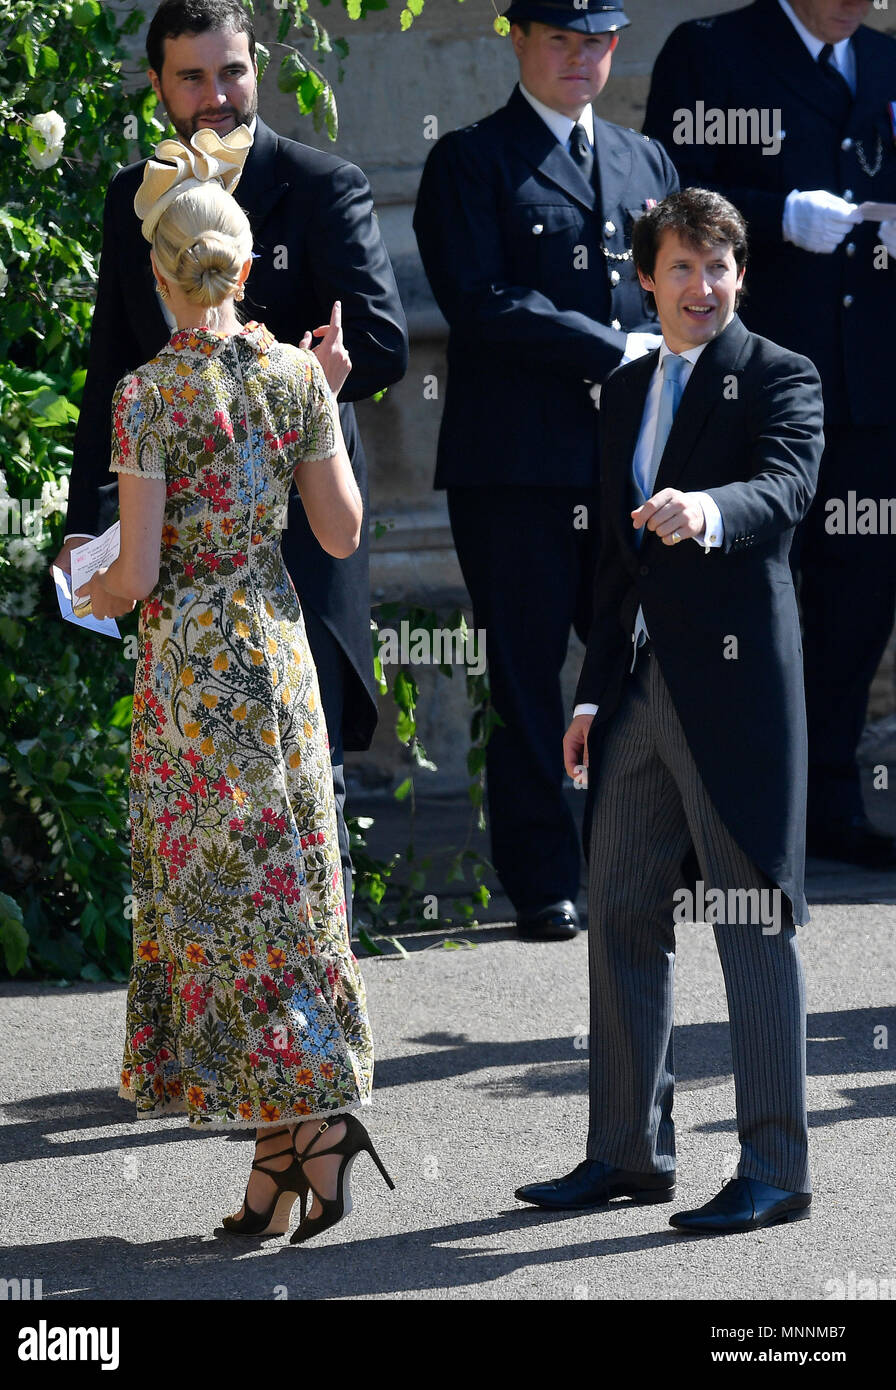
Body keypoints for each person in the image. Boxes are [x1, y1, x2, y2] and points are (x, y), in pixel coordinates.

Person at [76, 129, 395, 1245]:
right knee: (286, 895)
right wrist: (331, 396)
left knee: (221, 905)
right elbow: (341, 530)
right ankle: (285, 1155)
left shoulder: (145, 396)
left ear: (159, 276)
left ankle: (310, 1125)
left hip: (192, 673)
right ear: (246, 267)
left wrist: (89, 586)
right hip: (274, 648)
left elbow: (139, 572)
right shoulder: (299, 374)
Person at [56, 0, 409, 937]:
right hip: (173, 551)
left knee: (300, 793)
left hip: (304, 531)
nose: (217, 97)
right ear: (159, 85)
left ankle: (306, 1026)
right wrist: (82, 524)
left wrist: (290, 384)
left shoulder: (322, 181)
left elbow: (381, 343)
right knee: (198, 813)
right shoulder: (134, 195)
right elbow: (109, 372)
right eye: (193, 77)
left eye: (233, 72)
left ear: (257, 69)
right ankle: (217, 1031)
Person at [514, 188, 823, 1233]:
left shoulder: (782, 374)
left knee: (749, 917)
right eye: (681, 268)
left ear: (741, 273)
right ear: (645, 278)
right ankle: (626, 1153)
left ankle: (775, 1167)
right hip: (638, 692)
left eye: (719, 266)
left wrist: (708, 511)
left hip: (734, 694)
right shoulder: (627, 383)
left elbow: (782, 488)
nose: (702, 287)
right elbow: (613, 561)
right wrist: (592, 691)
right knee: (619, 912)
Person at [413, 0, 679, 942]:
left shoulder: (649, 163)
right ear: (517, 39)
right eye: (560, 39)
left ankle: (634, 853)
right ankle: (541, 878)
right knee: (527, 674)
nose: (580, 58)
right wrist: (612, 347)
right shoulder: (470, 160)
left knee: (637, 663)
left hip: (627, 466)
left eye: (597, 41)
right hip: (517, 465)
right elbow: (480, 300)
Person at [643, 0, 896, 868]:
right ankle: (699, 820)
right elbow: (664, 196)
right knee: (730, 603)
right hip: (749, 384)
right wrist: (776, 213)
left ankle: (826, 803)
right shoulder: (714, 52)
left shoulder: (883, 58)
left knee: (856, 603)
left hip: (867, 391)